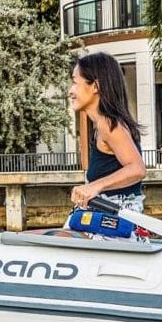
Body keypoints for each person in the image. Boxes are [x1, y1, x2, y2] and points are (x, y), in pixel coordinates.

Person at [68, 51, 146, 213]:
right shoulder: (100, 126)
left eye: (75, 83)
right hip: (103, 216)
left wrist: (94, 186)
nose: (70, 91)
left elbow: (137, 169)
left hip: (117, 223)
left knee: (28, 239)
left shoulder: (108, 124)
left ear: (95, 86)